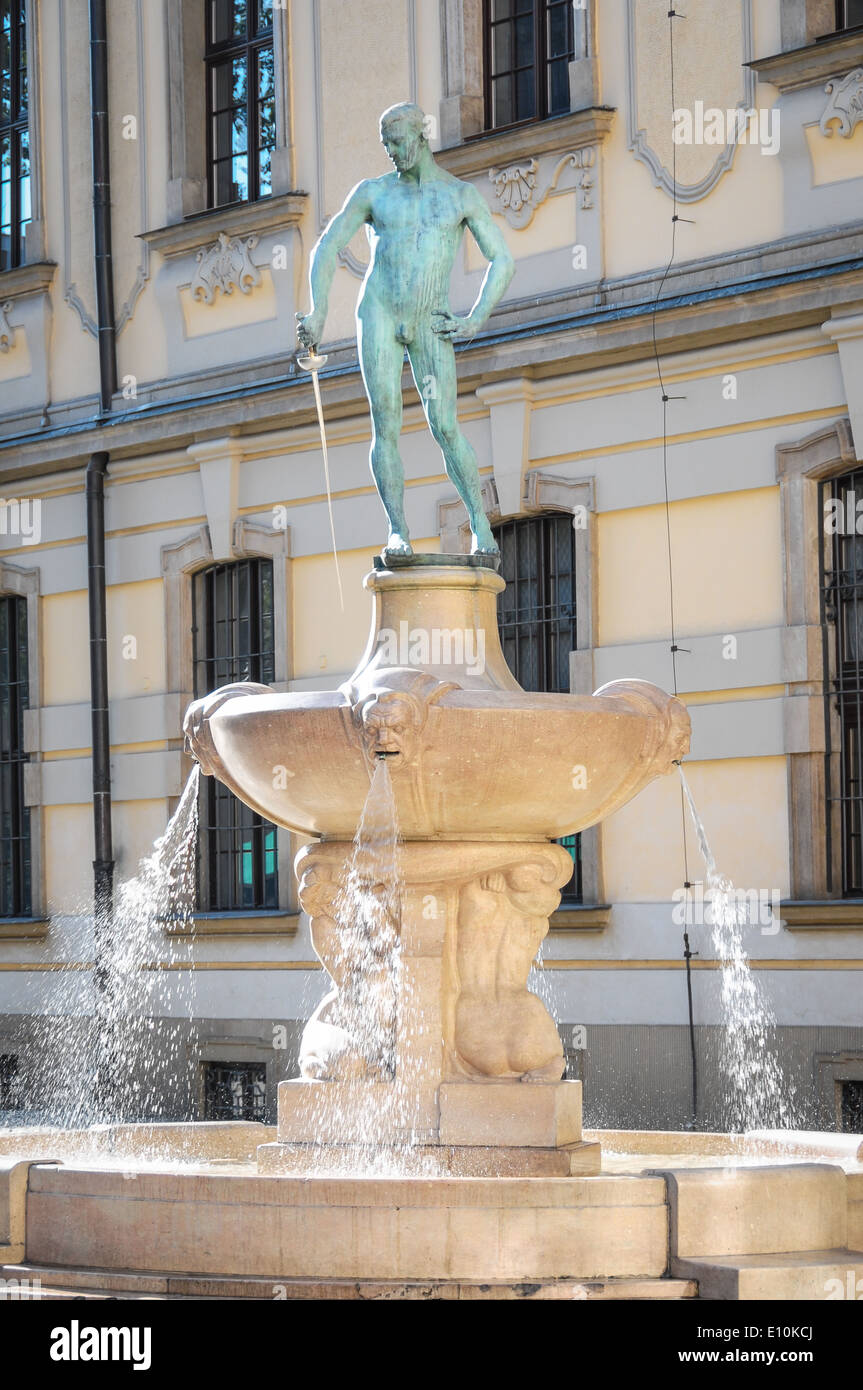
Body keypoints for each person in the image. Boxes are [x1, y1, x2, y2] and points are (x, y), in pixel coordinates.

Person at [296, 102, 515, 558]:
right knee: (386, 424)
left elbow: (502, 260)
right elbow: (328, 244)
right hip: (378, 313)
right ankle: (398, 531)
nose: (392, 152)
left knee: (445, 426)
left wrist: (475, 318)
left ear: (421, 137)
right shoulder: (376, 193)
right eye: (386, 145)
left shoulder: (459, 196)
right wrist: (318, 312)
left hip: (430, 319)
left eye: (397, 142)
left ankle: (480, 524)